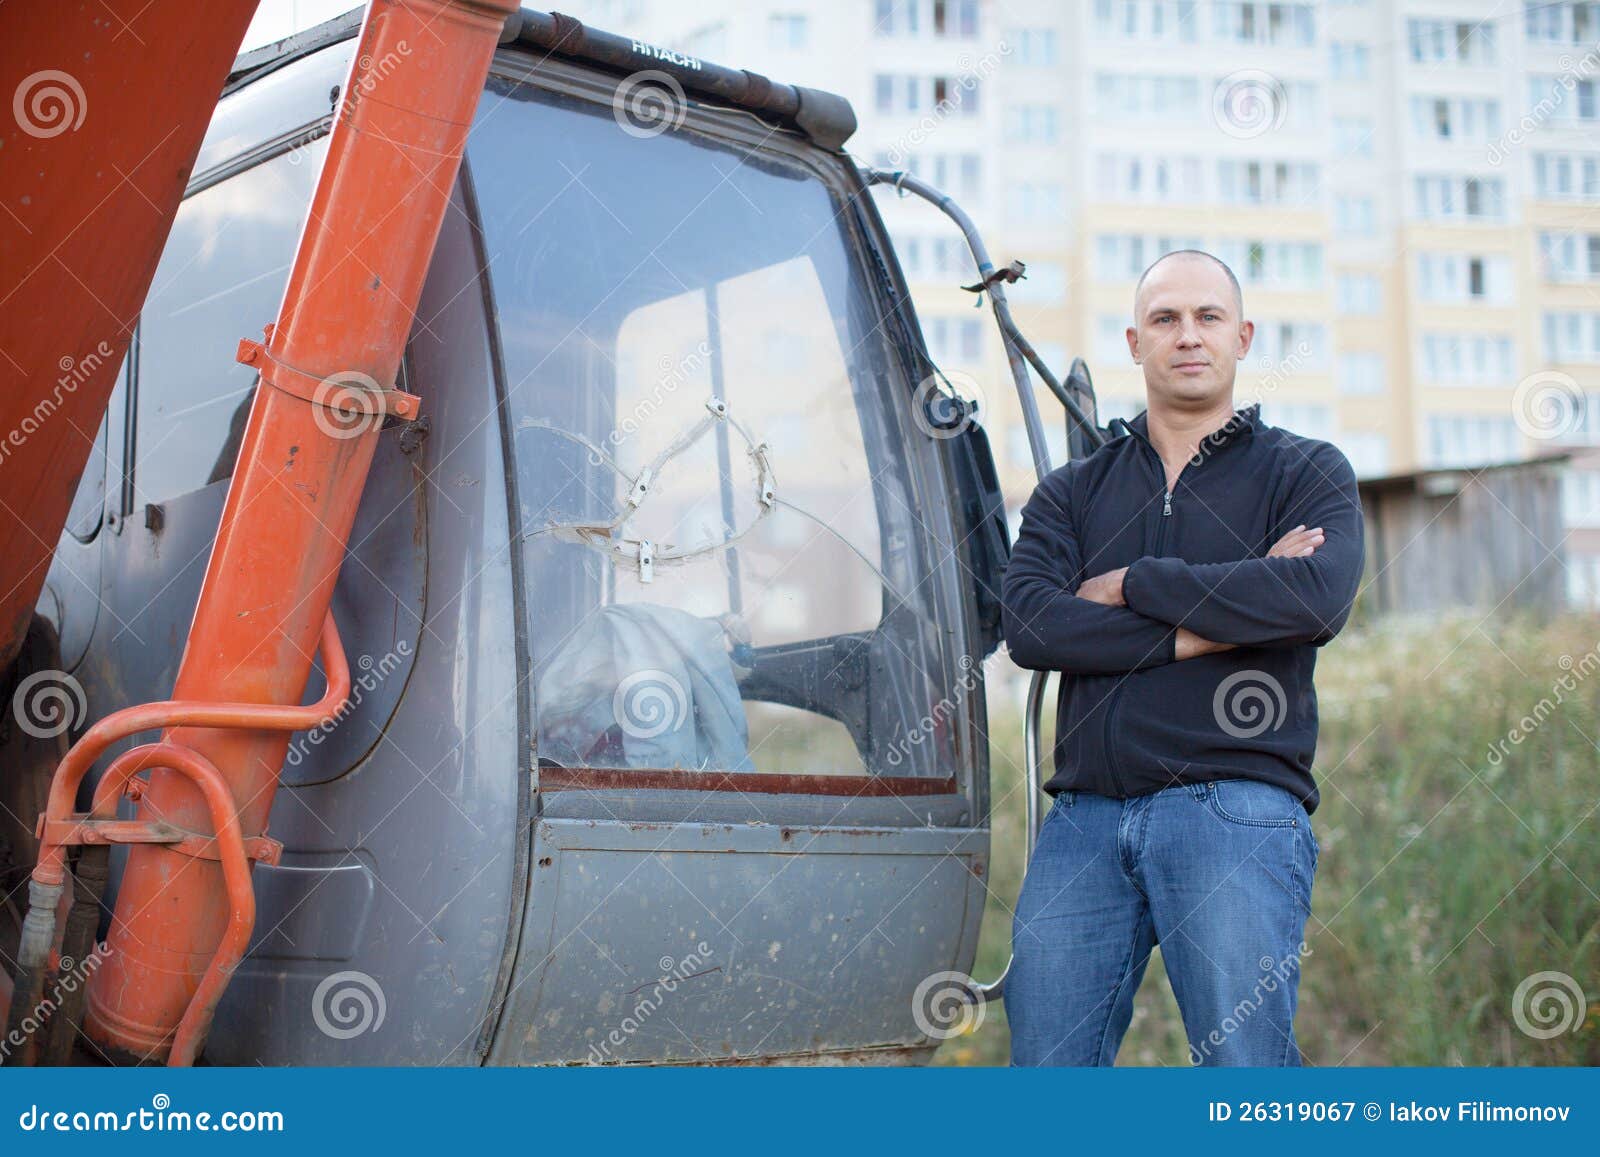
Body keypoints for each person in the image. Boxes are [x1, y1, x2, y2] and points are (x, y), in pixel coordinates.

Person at [1000, 249, 1364, 1066]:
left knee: (1245, 1081)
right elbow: (1032, 627)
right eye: (1165, 319)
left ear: (1243, 336)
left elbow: (1314, 599)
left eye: (1207, 317)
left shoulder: (1306, 470)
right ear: (1135, 342)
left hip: (1234, 806)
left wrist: (1135, 581)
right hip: (1085, 821)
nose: (1187, 336)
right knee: (1045, 1076)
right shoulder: (1072, 491)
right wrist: (1211, 623)